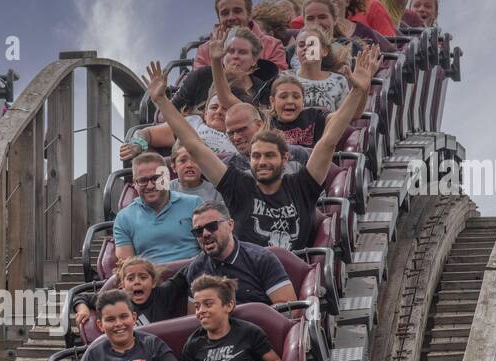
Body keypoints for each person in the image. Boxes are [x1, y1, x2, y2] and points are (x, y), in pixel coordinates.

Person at [149, 47, 378, 252]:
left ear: (285, 158)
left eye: (269, 155)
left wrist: (357, 91)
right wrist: (162, 101)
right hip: (249, 271)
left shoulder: (302, 185)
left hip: (294, 274)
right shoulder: (238, 187)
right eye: (256, 156)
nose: (262, 161)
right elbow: (194, 146)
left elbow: (328, 141)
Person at [181, 202, 296, 307]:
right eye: (198, 231)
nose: (205, 234)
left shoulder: (262, 259)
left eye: (212, 226)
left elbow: (290, 309)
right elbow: (194, 319)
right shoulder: (196, 268)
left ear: (230, 225)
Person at [111, 152, 201, 264]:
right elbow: (127, 266)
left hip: (193, 275)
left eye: (156, 178)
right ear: (134, 183)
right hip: (151, 278)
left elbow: (209, 250)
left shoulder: (194, 204)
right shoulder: (124, 218)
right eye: (143, 180)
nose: (150, 186)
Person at [71, 255, 192, 334]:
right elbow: (80, 297)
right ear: (122, 285)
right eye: (130, 279)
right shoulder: (117, 299)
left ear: (153, 282)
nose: (137, 282)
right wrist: (83, 310)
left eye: (143, 277)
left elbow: (189, 270)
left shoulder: (165, 292)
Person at [173, 27, 274, 112]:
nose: (235, 56)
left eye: (242, 52)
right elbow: (170, 113)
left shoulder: (263, 90)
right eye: (230, 51)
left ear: (254, 60)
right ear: (222, 55)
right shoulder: (201, 76)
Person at [192, 0, 286, 71]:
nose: (231, 17)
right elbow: (198, 86)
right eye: (225, 13)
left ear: (249, 15)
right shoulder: (205, 51)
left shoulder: (272, 46)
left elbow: (278, 84)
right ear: (219, 19)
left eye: (237, 11)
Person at [120, 93, 232, 160]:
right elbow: (147, 133)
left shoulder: (240, 132)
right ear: (206, 114)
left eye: (225, 108)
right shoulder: (193, 123)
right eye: (214, 107)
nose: (219, 112)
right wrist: (139, 143)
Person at [291, 27, 351, 113]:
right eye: (301, 45)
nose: (305, 48)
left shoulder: (339, 81)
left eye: (311, 44)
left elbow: (345, 116)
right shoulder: (285, 78)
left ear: (324, 51)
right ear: (296, 53)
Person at [265, 72, 327, 148]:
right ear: (272, 101)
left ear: (303, 101)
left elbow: (337, 118)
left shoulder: (314, 116)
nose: (290, 101)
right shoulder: (265, 123)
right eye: (283, 97)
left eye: (296, 97)